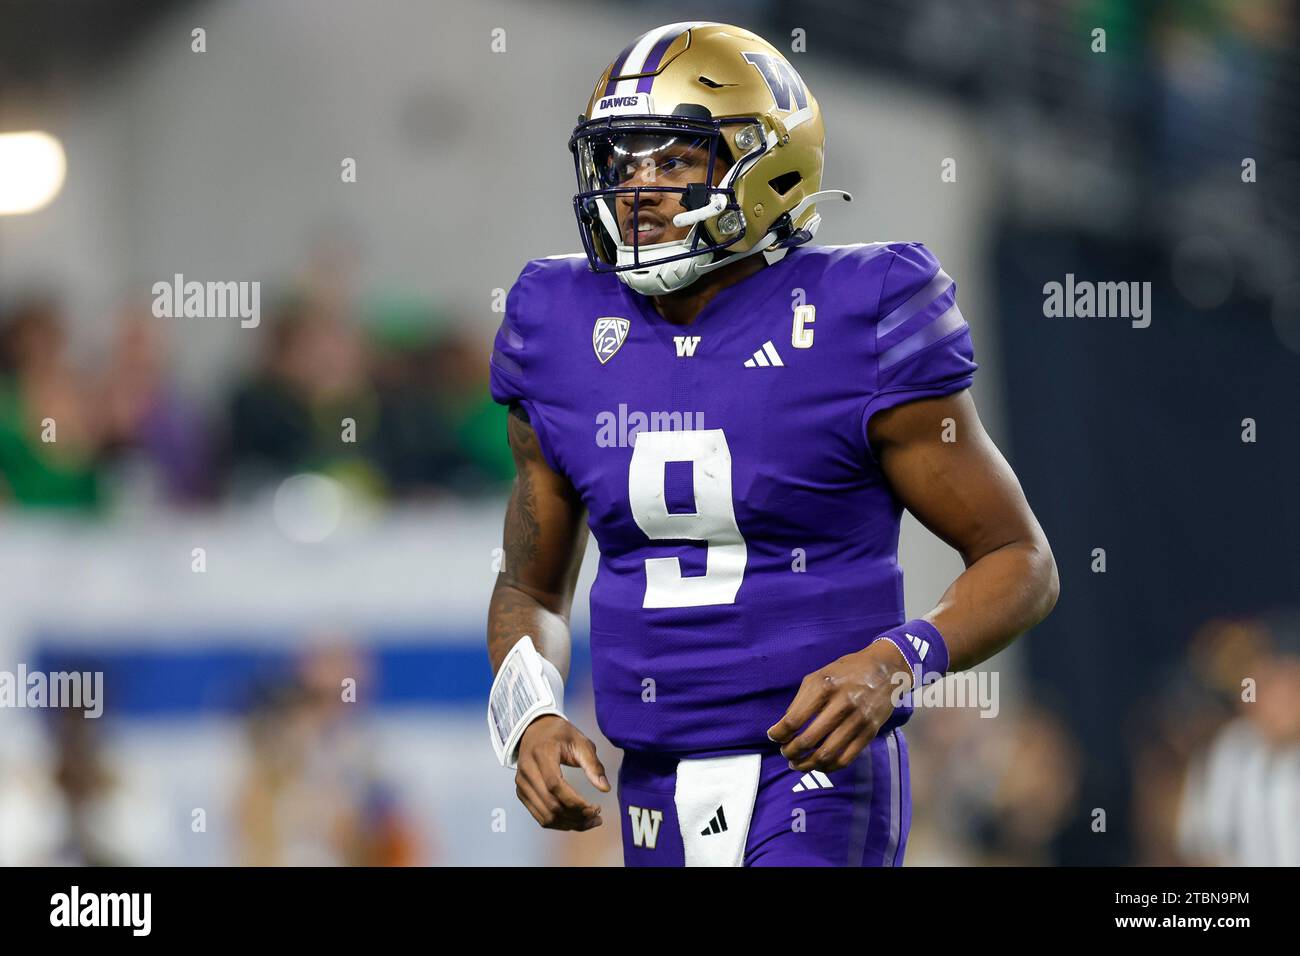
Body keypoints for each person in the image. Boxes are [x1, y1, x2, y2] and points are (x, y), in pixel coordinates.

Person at [485, 22, 1058, 866]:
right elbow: (529, 589)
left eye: (673, 160)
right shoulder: (558, 323)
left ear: (768, 164)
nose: (636, 189)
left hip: (815, 769)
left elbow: (1020, 558)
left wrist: (897, 662)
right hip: (651, 775)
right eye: (620, 161)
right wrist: (528, 709)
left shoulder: (861, 313)